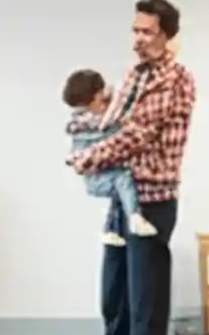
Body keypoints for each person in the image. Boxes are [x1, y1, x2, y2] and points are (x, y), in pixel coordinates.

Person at [67, 0, 197, 335]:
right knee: (116, 302)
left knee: (146, 304)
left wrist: (88, 159)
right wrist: (86, 140)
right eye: (135, 30)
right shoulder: (133, 74)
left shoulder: (174, 80)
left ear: (167, 35)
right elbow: (113, 123)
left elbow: (137, 136)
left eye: (148, 32)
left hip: (153, 202)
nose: (139, 38)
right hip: (122, 204)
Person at [61, 68, 156, 245]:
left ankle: (109, 230)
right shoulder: (87, 123)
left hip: (101, 174)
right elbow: (105, 136)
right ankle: (135, 218)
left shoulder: (97, 113)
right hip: (96, 179)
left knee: (121, 194)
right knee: (123, 180)